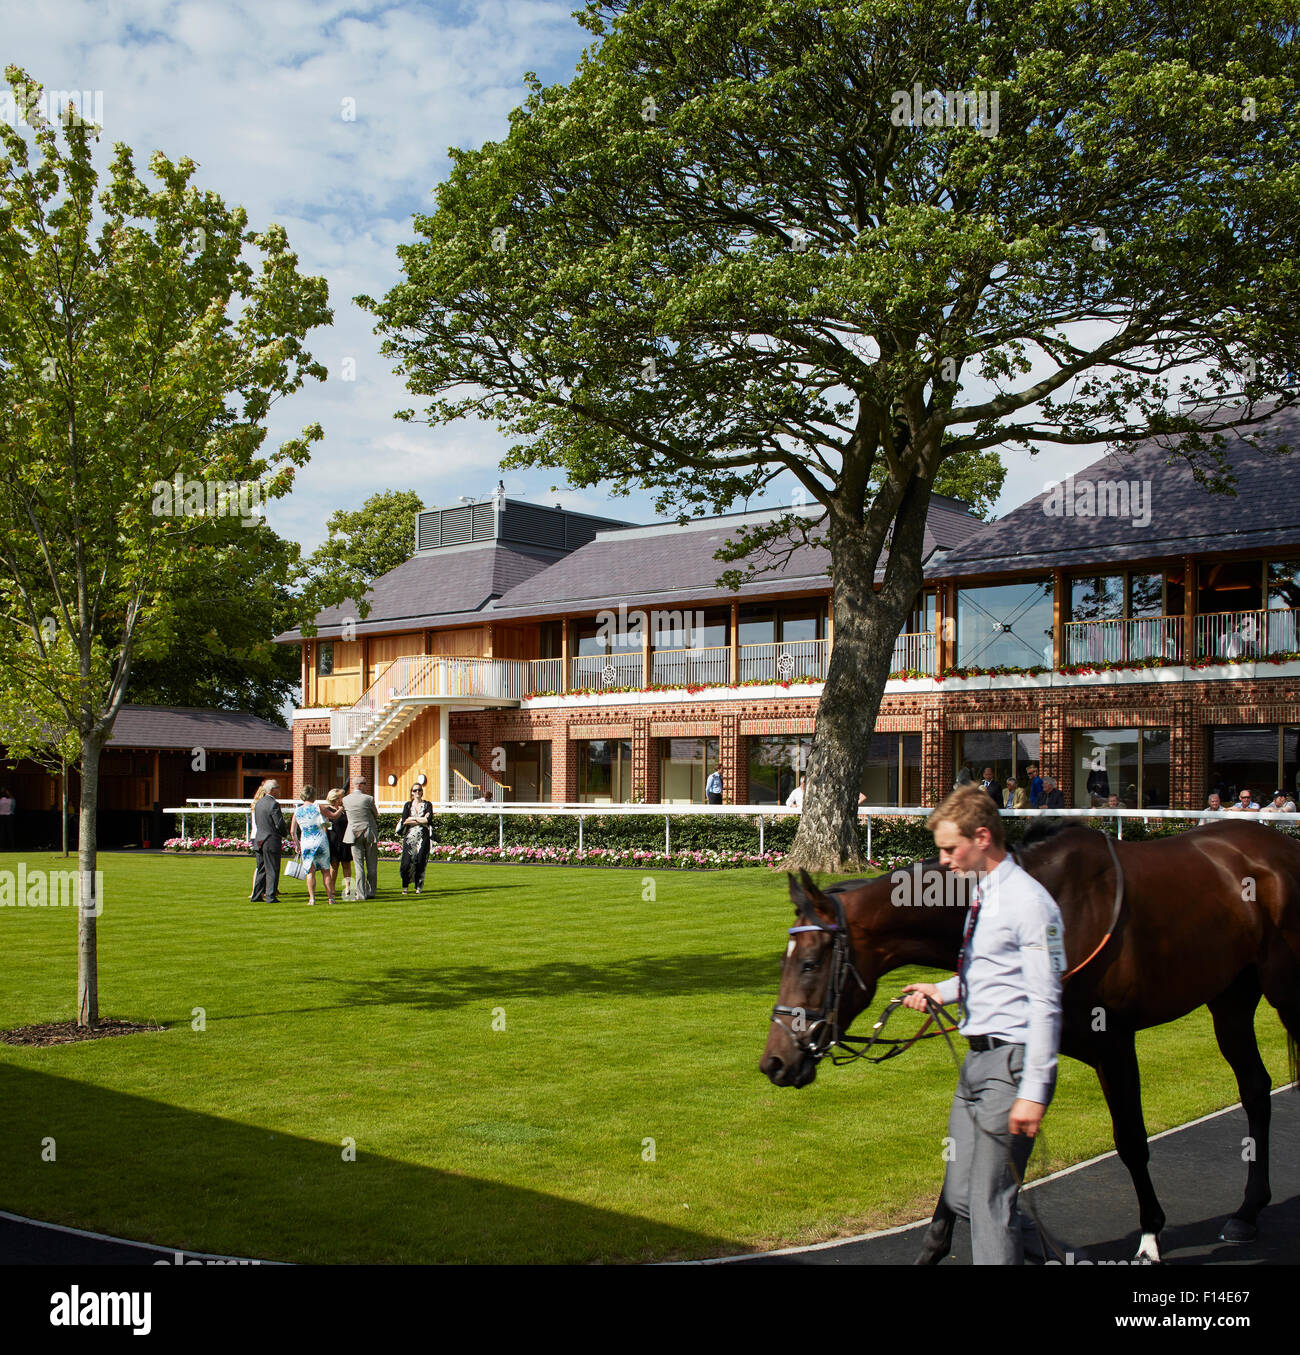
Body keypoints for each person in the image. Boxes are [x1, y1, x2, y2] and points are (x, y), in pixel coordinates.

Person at [901, 786, 1064, 1266]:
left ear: (983, 837)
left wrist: (1035, 1090)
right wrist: (940, 990)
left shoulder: (1032, 904)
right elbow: (986, 974)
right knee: (960, 1195)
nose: (944, 860)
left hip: (1011, 1070)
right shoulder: (986, 893)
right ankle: (1060, 1258)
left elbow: (1047, 999)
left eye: (950, 849)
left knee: (990, 1204)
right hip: (975, 1063)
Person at [290, 784, 336, 906]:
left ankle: (312, 899)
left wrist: (297, 845)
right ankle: (330, 898)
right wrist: (341, 809)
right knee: (326, 871)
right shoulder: (317, 807)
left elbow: (292, 831)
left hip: (306, 841)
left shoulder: (297, 810)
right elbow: (332, 816)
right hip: (320, 840)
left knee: (310, 872)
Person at [249, 779, 288, 902]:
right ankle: (270, 895)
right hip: (271, 839)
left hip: (259, 838)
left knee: (261, 869)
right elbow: (279, 823)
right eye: (278, 788)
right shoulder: (273, 804)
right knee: (272, 868)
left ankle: (257, 895)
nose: (279, 790)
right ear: (272, 790)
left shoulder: (258, 803)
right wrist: (284, 833)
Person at [342, 775, 381, 899]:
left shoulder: (346, 800)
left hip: (353, 834)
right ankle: (371, 892)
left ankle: (361, 893)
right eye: (365, 783)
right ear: (361, 785)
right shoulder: (368, 799)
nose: (366, 786)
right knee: (372, 865)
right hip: (368, 833)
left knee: (358, 865)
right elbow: (375, 814)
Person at [399, 783, 433, 894]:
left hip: (423, 836)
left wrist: (412, 818)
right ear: (411, 792)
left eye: (419, 790)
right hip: (409, 837)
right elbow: (405, 820)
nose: (417, 792)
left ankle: (418, 886)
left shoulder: (428, 804)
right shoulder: (408, 805)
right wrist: (421, 819)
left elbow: (428, 820)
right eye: (415, 790)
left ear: (422, 792)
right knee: (406, 862)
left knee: (420, 861)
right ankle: (405, 885)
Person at [323, 788, 354, 899]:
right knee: (334, 866)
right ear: (336, 798)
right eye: (342, 796)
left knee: (346, 865)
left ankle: (348, 888)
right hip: (332, 841)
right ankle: (332, 888)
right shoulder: (327, 810)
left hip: (345, 841)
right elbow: (325, 826)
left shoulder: (345, 810)